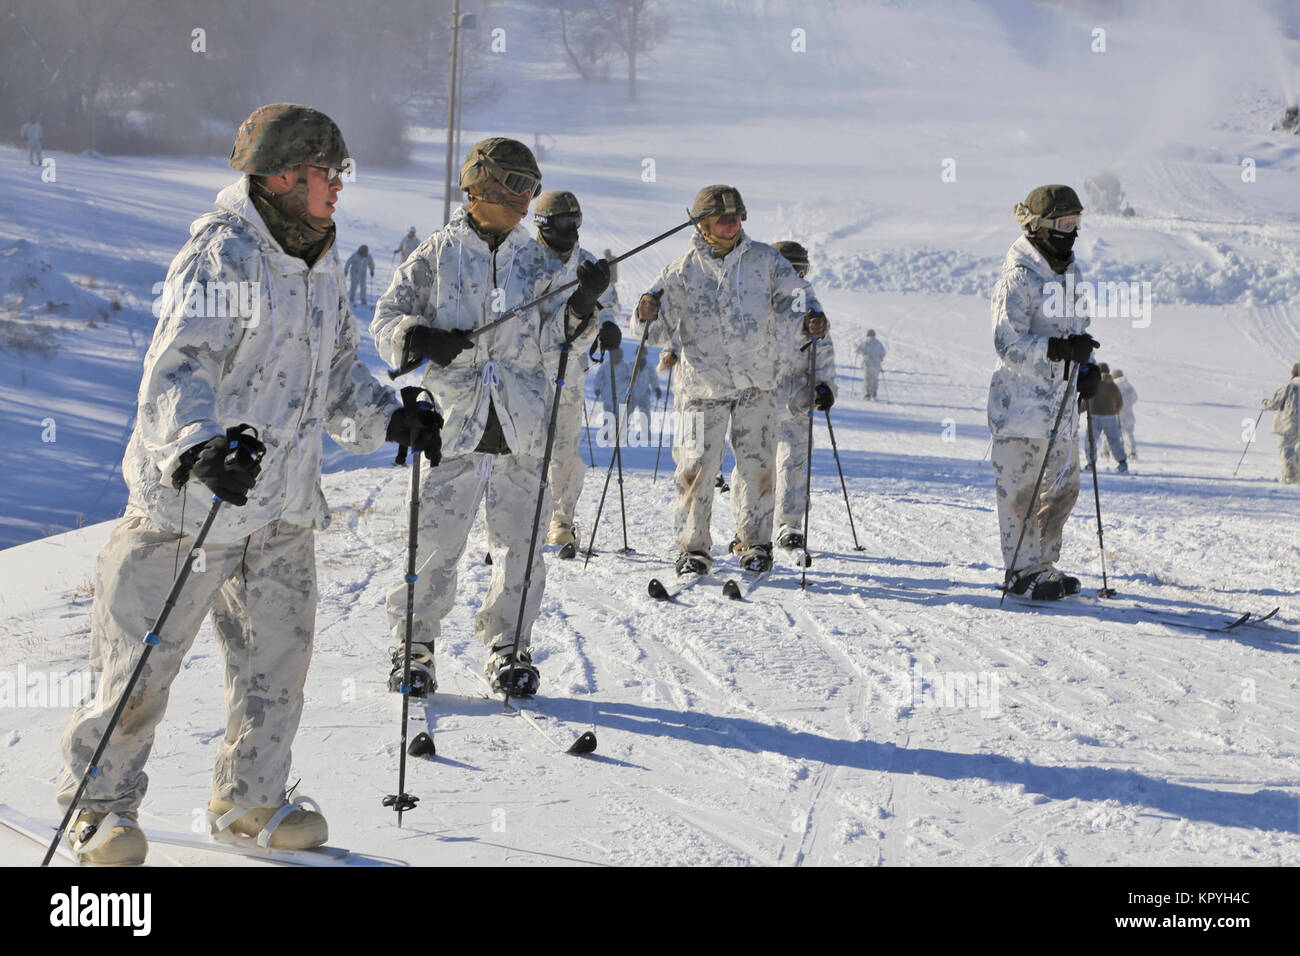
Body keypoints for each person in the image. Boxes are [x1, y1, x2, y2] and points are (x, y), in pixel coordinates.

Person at [55, 104, 441, 865]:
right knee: (138, 672)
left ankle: (249, 799)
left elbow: (334, 380)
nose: (339, 188)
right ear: (284, 176)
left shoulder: (320, 263)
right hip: (193, 508)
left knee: (277, 668)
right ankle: (98, 810)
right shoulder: (224, 255)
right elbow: (177, 367)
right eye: (328, 174)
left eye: (339, 174)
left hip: (282, 509)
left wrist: (389, 419)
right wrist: (200, 447)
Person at [371, 138, 610, 697]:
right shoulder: (436, 255)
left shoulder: (539, 262)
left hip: (522, 424)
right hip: (452, 424)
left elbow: (564, 344)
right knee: (435, 540)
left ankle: (510, 646)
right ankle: (415, 645)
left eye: (531, 188)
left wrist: (581, 307)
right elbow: (386, 320)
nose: (525, 201)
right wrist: (418, 337)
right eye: (515, 186)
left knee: (522, 545)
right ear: (477, 186)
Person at [633, 184, 828, 575]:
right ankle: (693, 549)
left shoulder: (766, 263)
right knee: (695, 468)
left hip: (757, 384)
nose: (731, 224)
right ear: (702, 223)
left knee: (758, 466)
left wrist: (811, 318)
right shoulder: (681, 271)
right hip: (701, 388)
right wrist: (646, 312)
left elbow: (796, 297)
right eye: (722, 218)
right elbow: (654, 333)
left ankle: (754, 543)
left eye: (736, 217)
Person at [988, 184, 1099, 602]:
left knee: (1063, 490)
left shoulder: (1071, 274)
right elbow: (1007, 343)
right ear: (1038, 228)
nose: (1071, 233)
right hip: (1020, 409)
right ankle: (1021, 571)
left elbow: (1077, 330)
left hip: (1061, 407)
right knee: (1022, 493)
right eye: (1063, 225)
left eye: (1076, 223)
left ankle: (1045, 564)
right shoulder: (1017, 279)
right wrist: (1057, 351)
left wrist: (1087, 367)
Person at [533, 189, 621, 560]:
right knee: (522, 448)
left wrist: (609, 327)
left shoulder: (587, 264)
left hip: (569, 375)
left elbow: (610, 303)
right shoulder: (523, 262)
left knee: (564, 448)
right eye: (564, 223)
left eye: (577, 222)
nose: (572, 230)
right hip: (527, 372)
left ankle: (561, 519)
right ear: (544, 224)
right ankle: (518, 518)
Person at [770, 240, 837, 555]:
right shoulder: (759, 299)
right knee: (753, 463)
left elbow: (823, 349)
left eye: (801, 269)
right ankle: (749, 528)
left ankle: (790, 525)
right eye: (790, 268)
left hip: (798, 395)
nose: (796, 274)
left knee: (795, 460)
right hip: (760, 394)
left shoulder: (810, 304)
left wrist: (825, 387)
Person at [1083, 362, 1129, 474]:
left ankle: (1091, 463)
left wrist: (1080, 409)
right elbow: (1120, 403)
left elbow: (1087, 399)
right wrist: (1114, 410)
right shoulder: (1113, 385)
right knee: (1114, 440)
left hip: (1094, 416)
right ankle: (1122, 463)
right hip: (1110, 417)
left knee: (1090, 440)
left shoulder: (1095, 383)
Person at [1261, 362, 1300, 483]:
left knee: (1286, 448)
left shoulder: (1289, 386)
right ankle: (1298, 476)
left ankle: (1289, 476)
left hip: (1288, 423)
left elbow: (1274, 403)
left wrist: (1265, 404)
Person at [1111, 367, 1138, 459]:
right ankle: (1132, 453)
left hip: (1116, 414)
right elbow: (1134, 398)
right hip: (1129, 415)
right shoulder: (1128, 386)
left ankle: (1106, 452)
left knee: (1111, 433)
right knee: (1129, 433)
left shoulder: (1113, 385)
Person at [855, 330, 886, 400]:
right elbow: (883, 352)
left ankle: (867, 394)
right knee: (875, 379)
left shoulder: (866, 342)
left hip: (868, 364)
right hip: (876, 364)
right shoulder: (878, 343)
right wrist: (880, 358)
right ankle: (874, 393)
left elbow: (858, 350)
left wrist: (856, 347)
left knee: (867, 379)